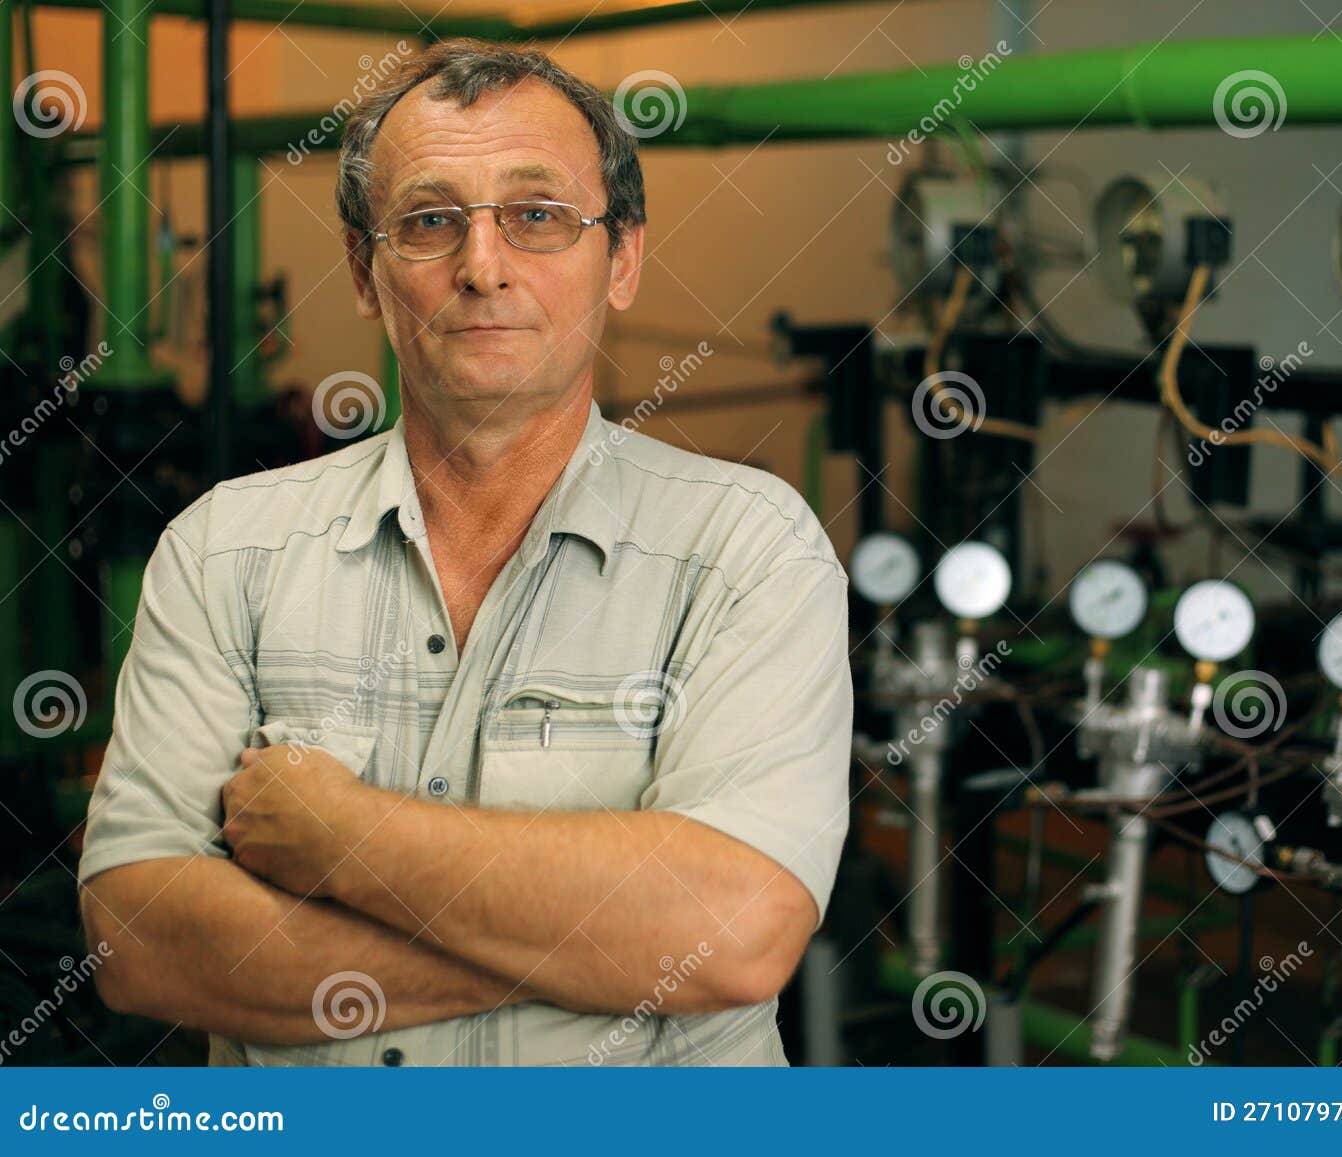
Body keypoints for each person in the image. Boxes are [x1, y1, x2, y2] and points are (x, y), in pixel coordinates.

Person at [77, 38, 852, 1067]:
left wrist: (341, 831)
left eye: (537, 217)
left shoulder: (749, 548)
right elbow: (139, 940)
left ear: (619, 259)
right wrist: (607, 946)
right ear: (366, 270)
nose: (482, 267)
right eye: (431, 221)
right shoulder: (226, 547)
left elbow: (738, 933)